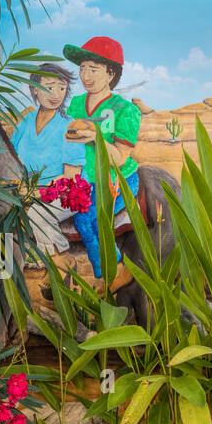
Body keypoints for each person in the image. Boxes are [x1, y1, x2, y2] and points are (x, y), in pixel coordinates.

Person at [62, 36, 140, 287]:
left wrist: (96, 137)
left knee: (84, 220)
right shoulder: (74, 104)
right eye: (82, 68)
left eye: (93, 69)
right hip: (80, 179)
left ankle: (109, 270)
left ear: (111, 73)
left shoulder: (126, 110)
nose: (85, 75)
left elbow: (119, 157)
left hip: (115, 180)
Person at [9, 63, 83, 258]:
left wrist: (36, 192)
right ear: (35, 88)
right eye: (49, 87)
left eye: (62, 87)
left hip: (67, 192)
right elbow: (10, 158)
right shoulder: (25, 121)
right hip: (26, 190)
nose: (56, 94)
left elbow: (71, 177)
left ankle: (59, 259)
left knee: (37, 214)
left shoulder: (70, 126)